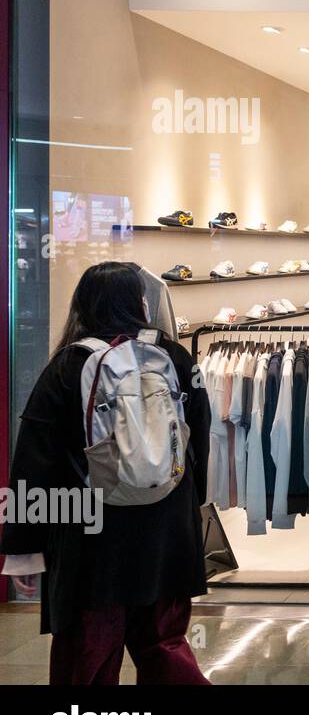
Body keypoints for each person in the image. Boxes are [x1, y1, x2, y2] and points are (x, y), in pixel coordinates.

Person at [0, 261, 211, 685]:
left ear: (83, 304)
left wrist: (23, 548)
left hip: (90, 537)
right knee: (164, 646)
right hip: (166, 531)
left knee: (89, 654)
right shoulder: (174, 356)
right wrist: (190, 510)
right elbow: (197, 441)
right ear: (140, 302)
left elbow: (35, 462)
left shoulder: (67, 366)